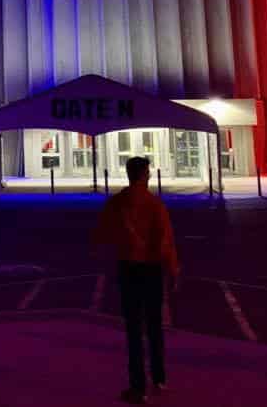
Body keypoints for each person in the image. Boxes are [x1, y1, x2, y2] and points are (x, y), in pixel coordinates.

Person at [93, 156, 180, 404]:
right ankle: (159, 377)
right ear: (144, 175)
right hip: (152, 268)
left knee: (133, 329)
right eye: (148, 172)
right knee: (154, 325)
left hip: (129, 267)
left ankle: (138, 386)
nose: (150, 175)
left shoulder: (117, 203)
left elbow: (102, 235)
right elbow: (165, 241)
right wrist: (172, 269)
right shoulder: (155, 205)